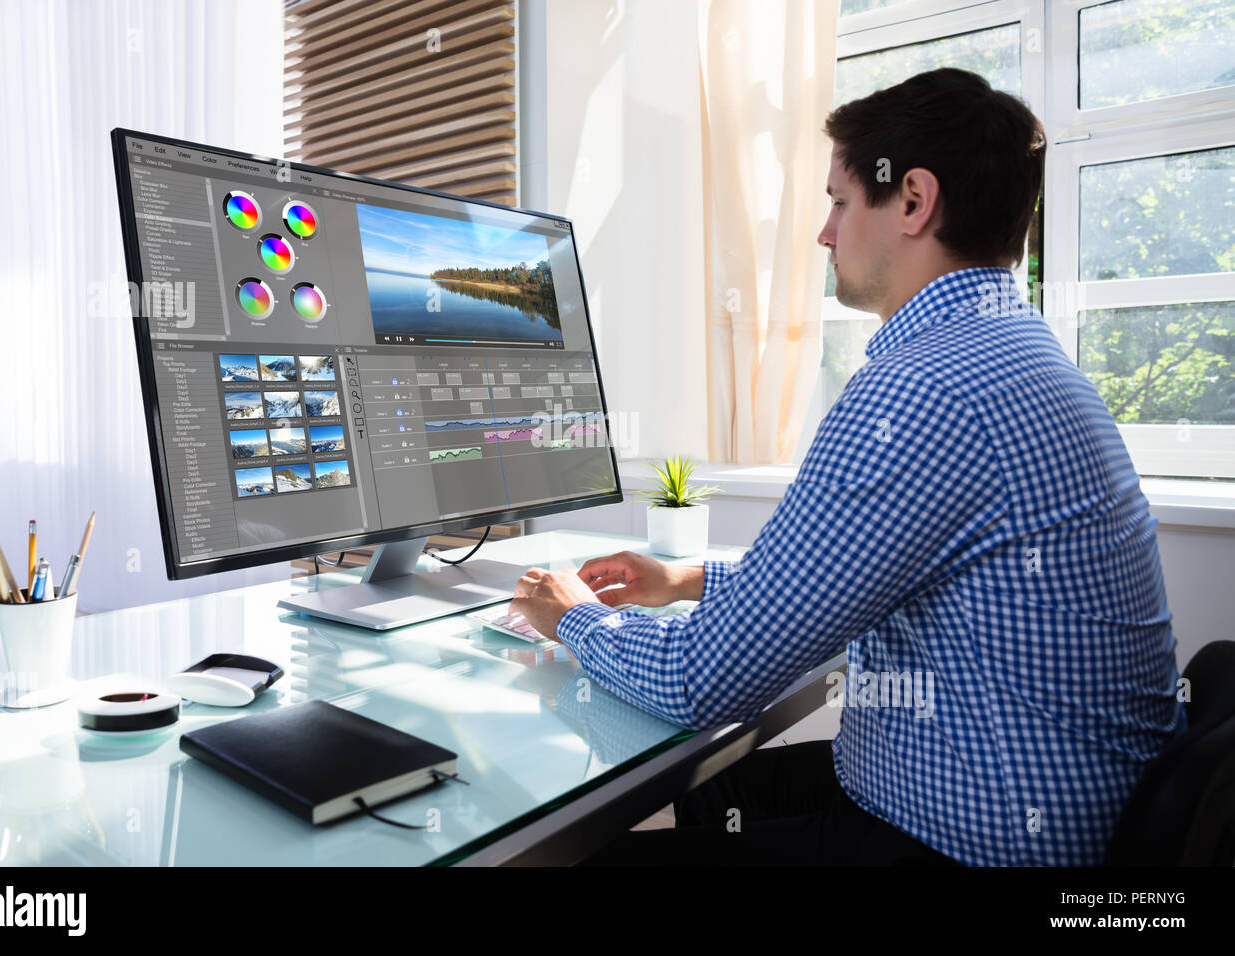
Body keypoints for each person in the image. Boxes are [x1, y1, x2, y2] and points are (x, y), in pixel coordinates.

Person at [507, 67, 1187, 867]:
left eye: (838, 201)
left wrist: (572, 614)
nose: (824, 233)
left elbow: (702, 682)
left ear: (912, 200)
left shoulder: (922, 390)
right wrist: (689, 580)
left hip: (979, 847)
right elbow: (856, 582)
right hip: (1070, 815)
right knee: (709, 789)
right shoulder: (1019, 355)